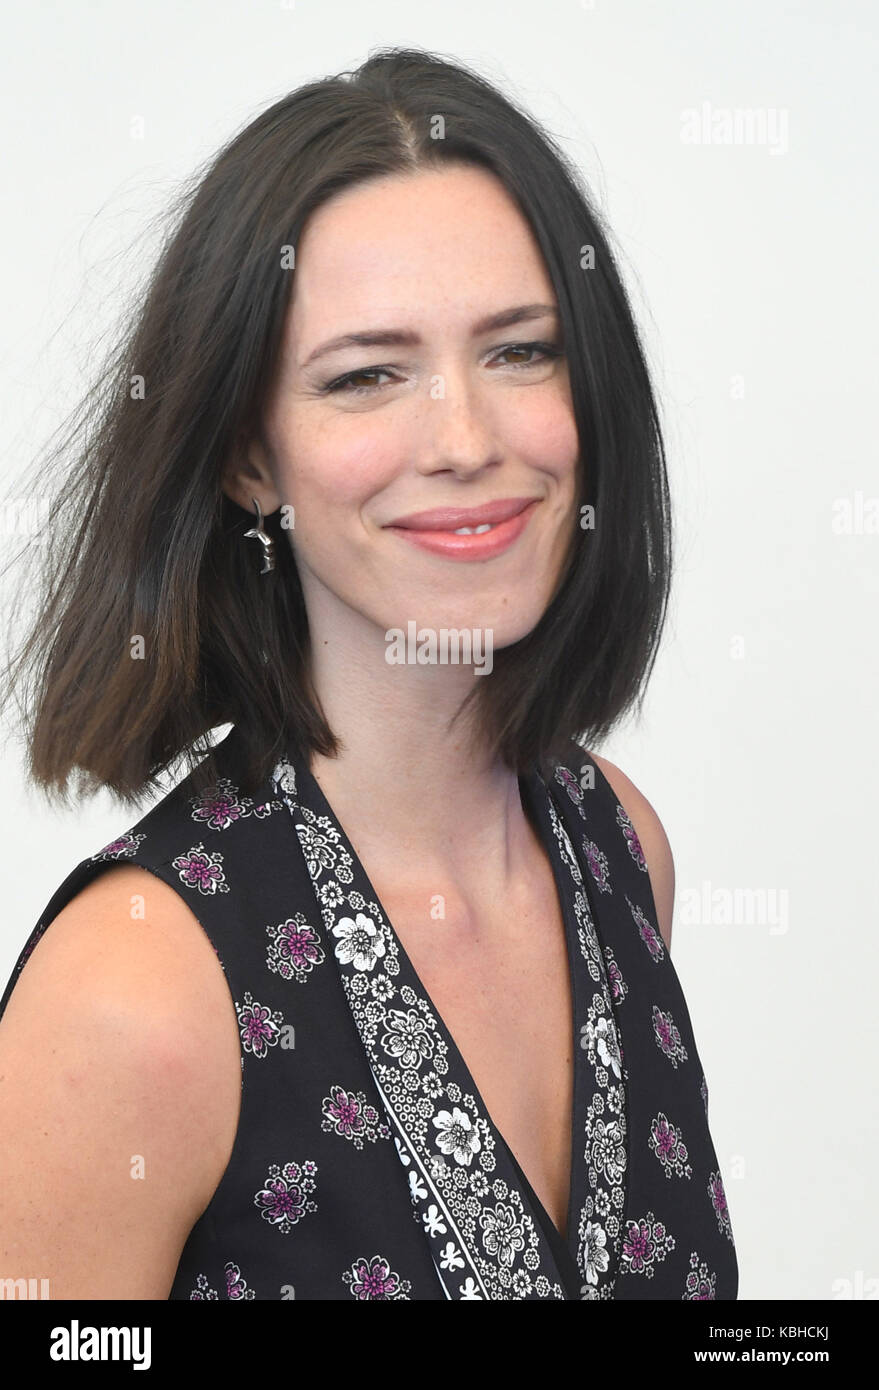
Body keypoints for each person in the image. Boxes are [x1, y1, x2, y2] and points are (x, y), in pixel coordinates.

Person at [0, 47, 737, 1300]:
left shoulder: (620, 847)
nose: (466, 440)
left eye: (520, 351)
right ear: (248, 459)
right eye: (366, 376)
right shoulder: (134, 992)